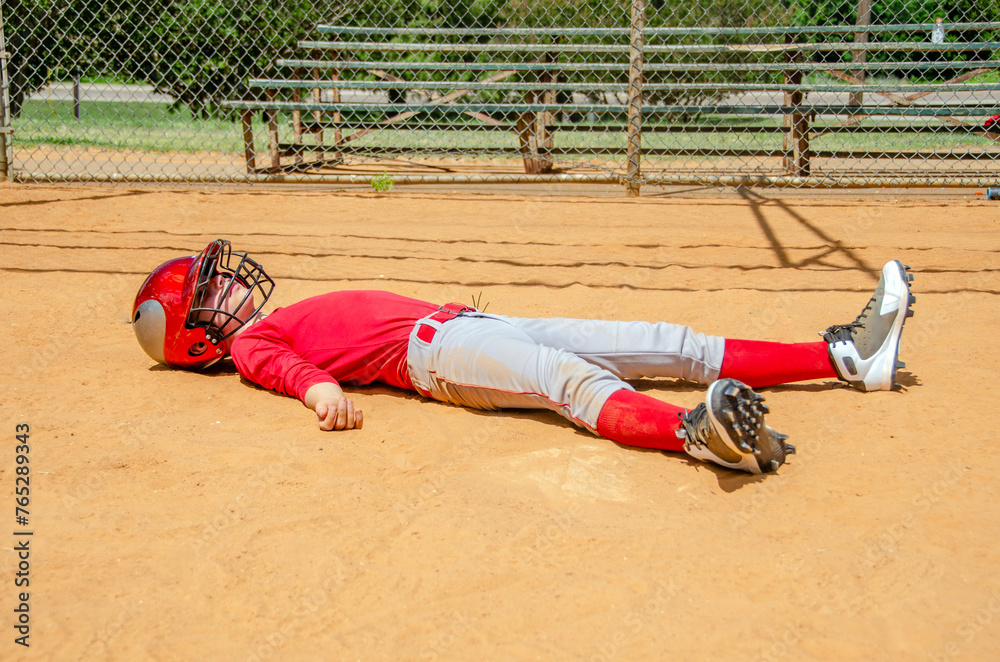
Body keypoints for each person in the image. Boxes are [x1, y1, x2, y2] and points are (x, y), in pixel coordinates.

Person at [131, 239, 915, 475]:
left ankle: (846, 355)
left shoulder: (264, 321)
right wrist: (317, 394)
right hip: (438, 355)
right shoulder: (250, 345)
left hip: (473, 322)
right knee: (571, 383)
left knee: (665, 343)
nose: (231, 286)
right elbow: (282, 368)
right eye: (212, 292)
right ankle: (696, 434)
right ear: (198, 335)